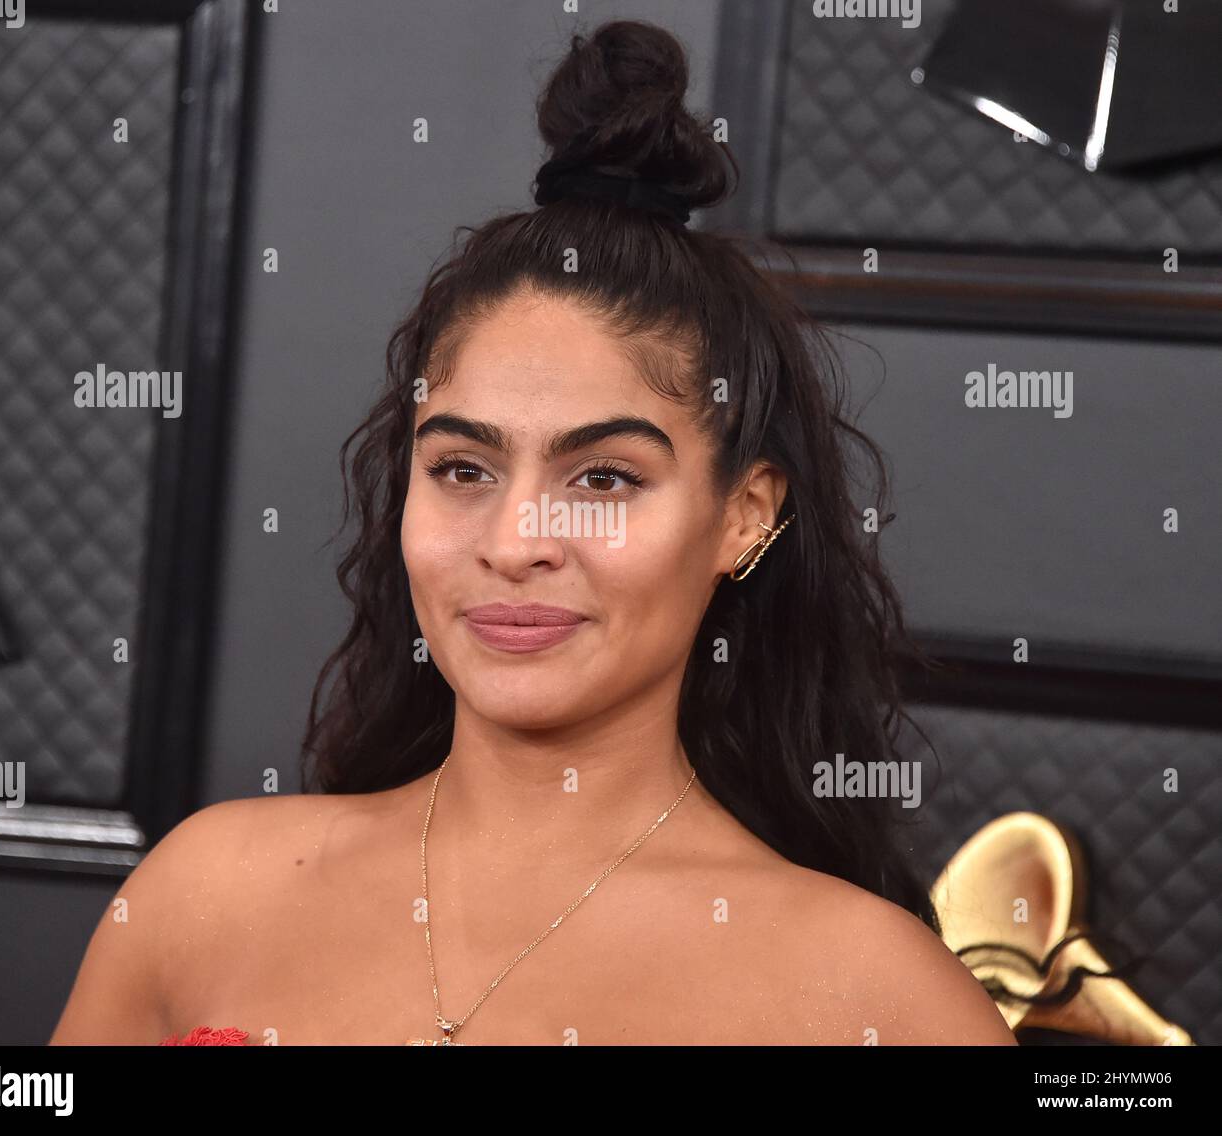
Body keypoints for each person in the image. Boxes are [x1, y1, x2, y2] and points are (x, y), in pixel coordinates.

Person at [50, 18, 1016, 1046]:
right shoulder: (202, 891)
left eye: (603, 476)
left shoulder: (877, 998)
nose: (516, 540)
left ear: (745, 514)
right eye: (462, 468)